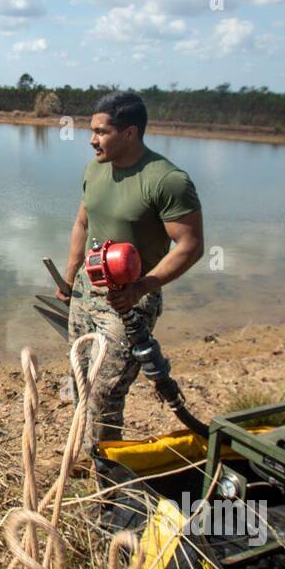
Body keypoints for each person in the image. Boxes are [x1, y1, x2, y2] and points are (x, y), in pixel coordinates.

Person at [57, 90, 205, 452]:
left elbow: (191, 245)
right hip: (84, 295)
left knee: (105, 394)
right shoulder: (95, 168)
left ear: (130, 133)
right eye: (91, 130)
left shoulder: (167, 180)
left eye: (101, 132)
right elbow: (82, 222)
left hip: (129, 303)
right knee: (79, 380)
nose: (92, 140)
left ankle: (108, 478)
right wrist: (69, 275)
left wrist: (143, 286)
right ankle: (79, 454)